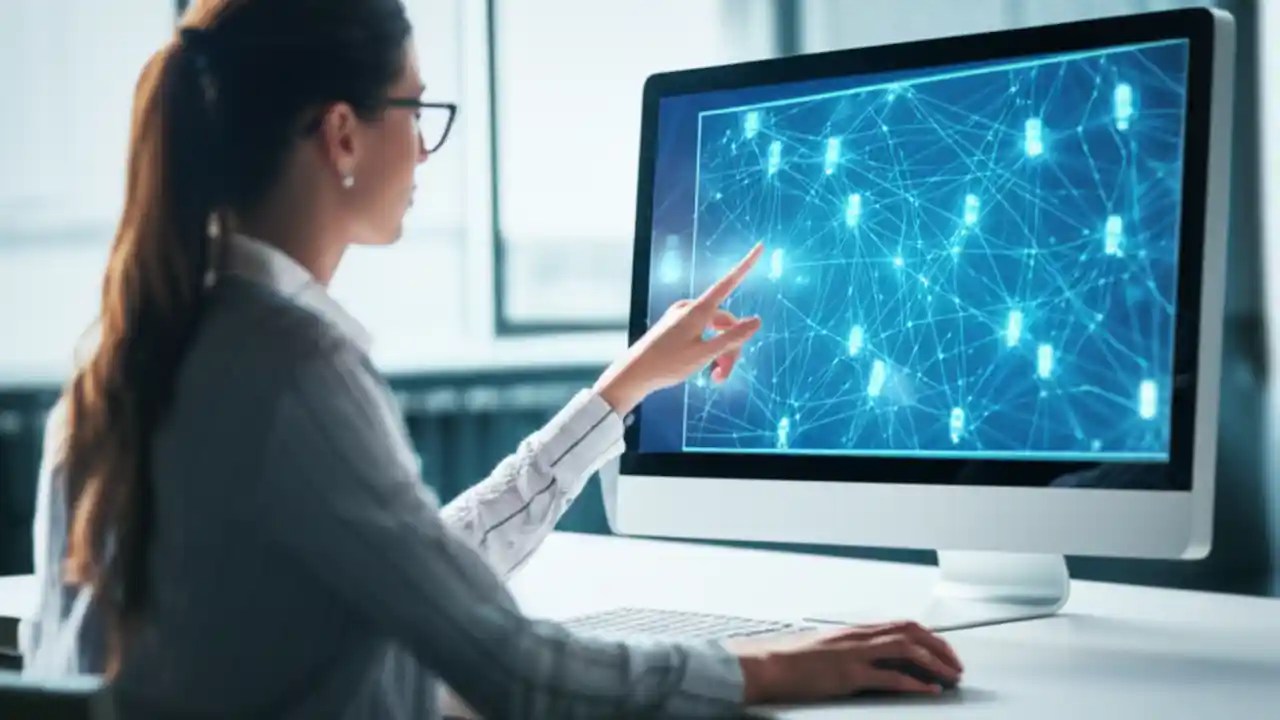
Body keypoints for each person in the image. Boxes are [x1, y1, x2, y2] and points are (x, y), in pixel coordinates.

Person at [19, 0, 963, 716]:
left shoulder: (138, 343)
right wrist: (783, 667)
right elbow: (513, 667)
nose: (426, 151)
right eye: (416, 108)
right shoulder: (286, 365)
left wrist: (623, 391)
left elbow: (423, 574)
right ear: (343, 133)